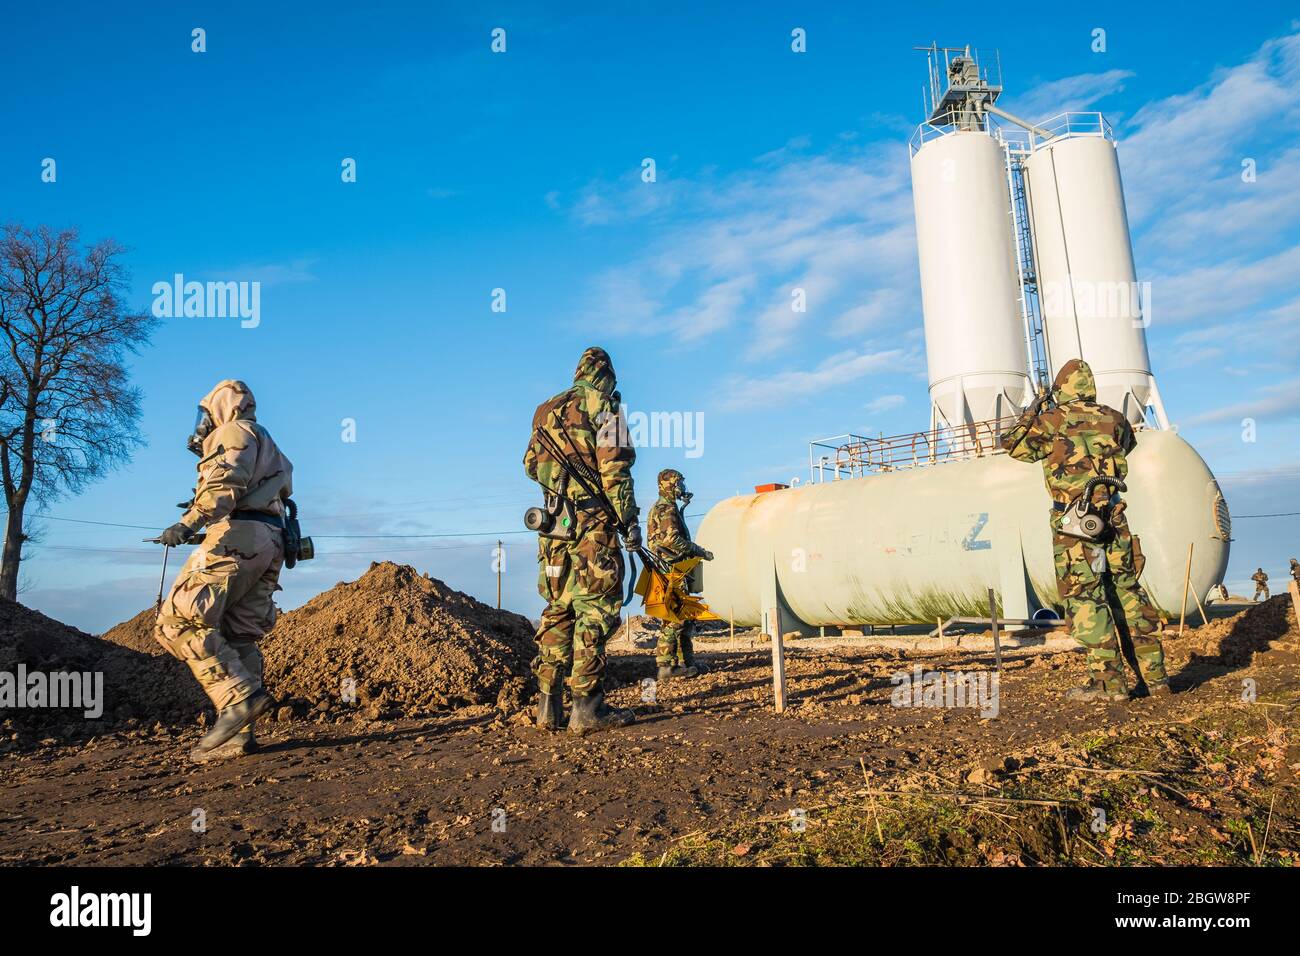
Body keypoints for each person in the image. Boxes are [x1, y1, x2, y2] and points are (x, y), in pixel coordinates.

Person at [1002, 358, 1169, 701]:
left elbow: (1014, 446)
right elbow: (1128, 445)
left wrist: (1037, 406)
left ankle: (1109, 685)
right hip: (1114, 517)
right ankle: (1157, 679)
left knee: (1085, 598)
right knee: (1128, 593)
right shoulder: (1115, 419)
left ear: (1061, 389)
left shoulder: (1052, 420)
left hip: (1075, 524)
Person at [154, 380, 292, 762]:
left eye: (206, 412)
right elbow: (266, 487)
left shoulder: (231, 431)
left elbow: (224, 484)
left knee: (178, 620)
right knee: (237, 633)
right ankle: (238, 738)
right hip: (271, 540)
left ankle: (239, 699)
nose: (202, 423)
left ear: (222, 406)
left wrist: (189, 521)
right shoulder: (265, 438)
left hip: (237, 537)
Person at [524, 347, 639, 735]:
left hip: (553, 525)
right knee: (595, 610)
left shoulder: (544, 410)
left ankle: (547, 706)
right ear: (606, 375)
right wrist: (629, 522)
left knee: (558, 608)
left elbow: (528, 465)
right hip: (593, 525)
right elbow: (615, 471)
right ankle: (587, 709)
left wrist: (559, 482)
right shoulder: (606, 405)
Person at [646, 469, 714, 680]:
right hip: (671, 570)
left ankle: (686, 662)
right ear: (669, 485)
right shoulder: (666, 508)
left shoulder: (666, 507)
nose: (682, 488)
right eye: (679, 484)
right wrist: (698, 550)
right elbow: (671, 541)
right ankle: (666, 666)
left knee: (683, 618)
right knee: (674, 619)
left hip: (672, 570)